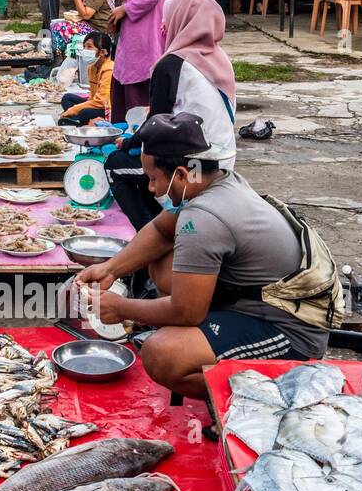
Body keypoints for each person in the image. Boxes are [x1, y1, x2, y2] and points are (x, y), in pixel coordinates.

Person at [76, 112, 334, 399]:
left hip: (289, 332)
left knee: (162, 354)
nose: (150, 188)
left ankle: (265, 397)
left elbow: (186, 311)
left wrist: (122, 307)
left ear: (183, 174)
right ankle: (207, 347)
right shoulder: (217, 182)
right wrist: (111, 269)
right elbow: (161, 231)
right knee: (162, 262)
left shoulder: (204, 218)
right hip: (249, 303)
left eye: (153, 178)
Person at [105, 0, 237, 229]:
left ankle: (151, 233)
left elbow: (155, 126)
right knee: (147, 170)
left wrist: (129, 142)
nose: (163, 26)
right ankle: (166, 218)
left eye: (167, 19)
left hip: (194, 169)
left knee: (115, 164)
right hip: (223, 162)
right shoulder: (218, 59)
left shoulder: (172, 64)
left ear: (181, 21)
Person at [58, 32, 113, 126]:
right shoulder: (91, 67)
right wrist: (80, 106)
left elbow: (101, 102)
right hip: (96, 103)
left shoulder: (109, 69)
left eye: (89, 47)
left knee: (85, 112)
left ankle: (76, 120)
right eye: (84, 47)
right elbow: (92, 96)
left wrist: (74, 109)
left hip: (108, 108)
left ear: (103, 52)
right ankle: (76, 120)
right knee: (67, 98)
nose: (85, 50)